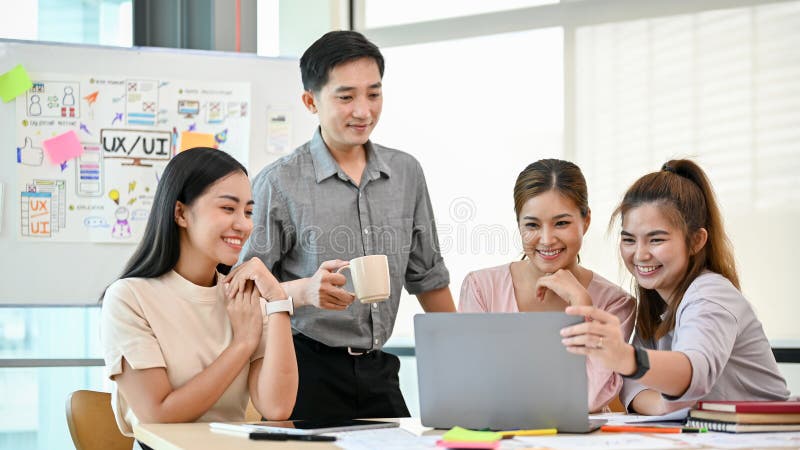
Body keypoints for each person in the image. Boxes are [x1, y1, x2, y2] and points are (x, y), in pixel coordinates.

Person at [240, 30, 455, 420]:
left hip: (379, 370)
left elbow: (428, 278)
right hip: (305, 370)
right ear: (310, 101)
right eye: (346, 96)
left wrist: (466, 361)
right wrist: (305, 290)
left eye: (374, 94)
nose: (363, 110)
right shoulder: (280, 182)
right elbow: (244, 291)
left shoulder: (406, 172)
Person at [559, 159, 790, 415]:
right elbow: (631, 387)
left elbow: (692, 371)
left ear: (696, 241)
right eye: (629, 239)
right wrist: (666, 405)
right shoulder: (656, 301)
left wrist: (627, 358)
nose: (640, 254)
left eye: (656, 239)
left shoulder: (710, 294)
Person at [101, 148, 298, 442]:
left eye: (248, 212)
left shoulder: (241, 297)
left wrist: (278, 302)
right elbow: (159, 414)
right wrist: (242, 344)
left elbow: (277, 407)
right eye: (228, 209)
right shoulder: (129, 298)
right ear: (181, 213)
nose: (243, 225)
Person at [459, 159, 635, 413]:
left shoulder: (616, 303)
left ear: (585, 221)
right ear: (518, 224)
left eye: (561, 223)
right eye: (532, 225)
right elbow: (471, 388)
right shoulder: (481, 288)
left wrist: (583, 305)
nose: (546, 239)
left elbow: (586, 399)